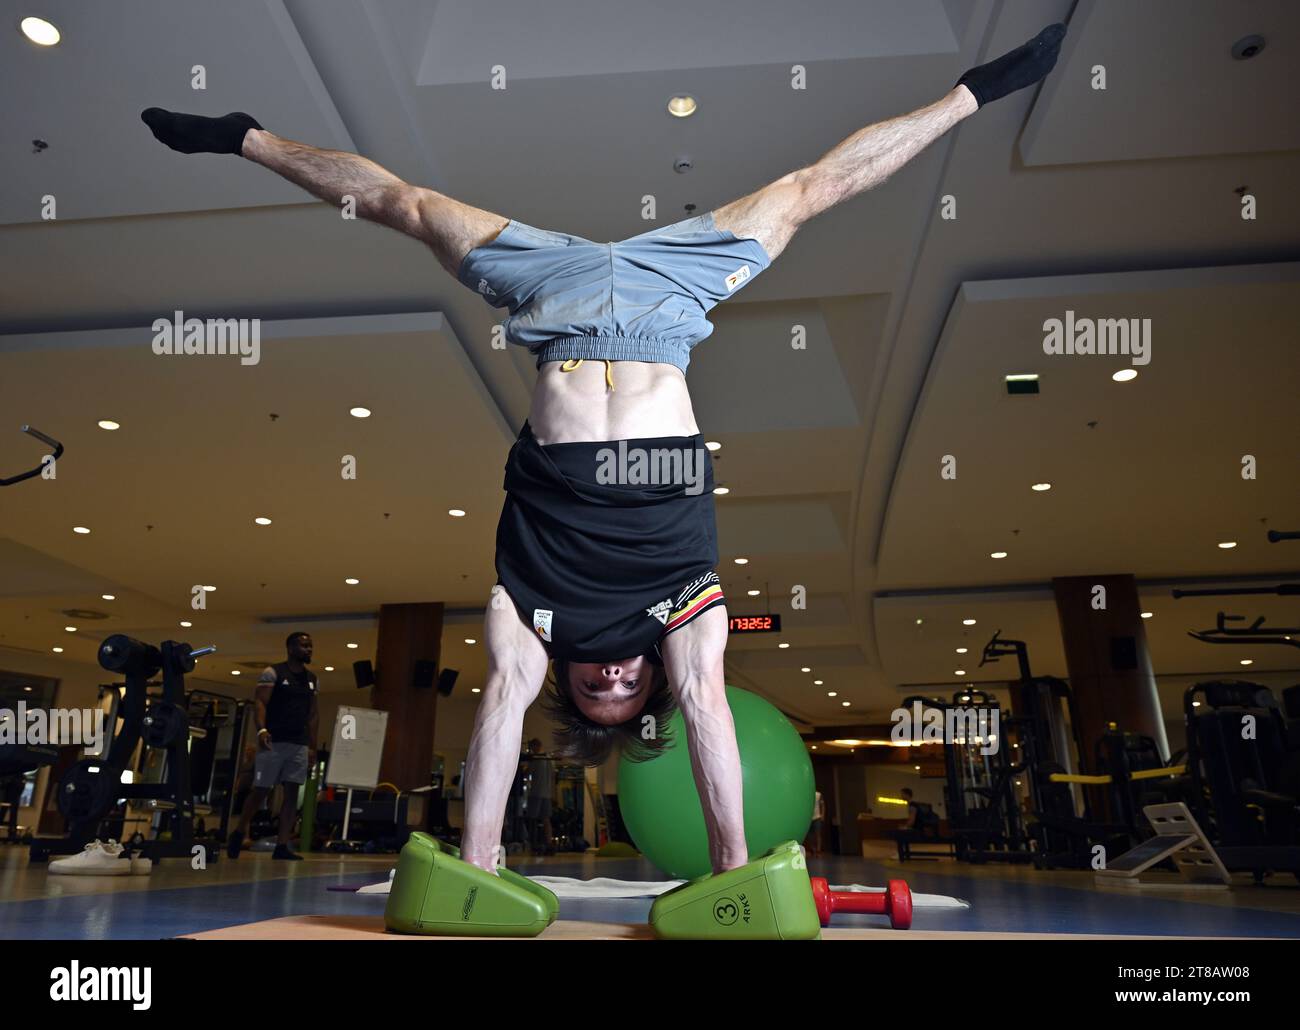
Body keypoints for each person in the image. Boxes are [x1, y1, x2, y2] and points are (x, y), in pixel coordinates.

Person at [143, 24, 1066, 876]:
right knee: (806, 192)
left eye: (600, 692)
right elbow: (707, 709)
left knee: (410, 206)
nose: (614, 677)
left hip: (555, 303)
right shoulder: (685, 621)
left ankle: (245, 138)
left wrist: (481, 857)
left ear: (574, 686)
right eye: (630, 688)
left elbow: (502, 704)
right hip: (672, 302)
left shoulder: (535, 615)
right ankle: (973, 94)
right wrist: (735, 871)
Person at [226, 632, 320, 860]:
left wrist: (312, 746)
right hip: (273, 741)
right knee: (261, 790)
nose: (308, 649)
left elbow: (313, 714)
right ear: (290, 648)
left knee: (291, 792)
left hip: (298, 743)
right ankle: (239, 832)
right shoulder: (273, 672)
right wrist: (261, 730)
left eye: (310, 646)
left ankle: (281, 846)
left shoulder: (312, 678)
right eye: (304, 645)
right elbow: (260, 702)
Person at [523, 738, 556, 853]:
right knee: (546, 819)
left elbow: (527, 774)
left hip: (536, 794)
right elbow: (553, 775)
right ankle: (548, 843)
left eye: (532, 748)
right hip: (546, 794)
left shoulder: (536, 759)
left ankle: (534, 842)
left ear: (535, 747)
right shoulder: (549, 759)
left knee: (533, 819)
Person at [808, 788, 826, 857]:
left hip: (817, 817)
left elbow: (823, 805)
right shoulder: (807, 795)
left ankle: (818, 850)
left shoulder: (818, 794)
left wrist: (823, 815)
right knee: (810, 835)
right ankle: (813, 849)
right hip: (809, 818)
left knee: (818, 834)